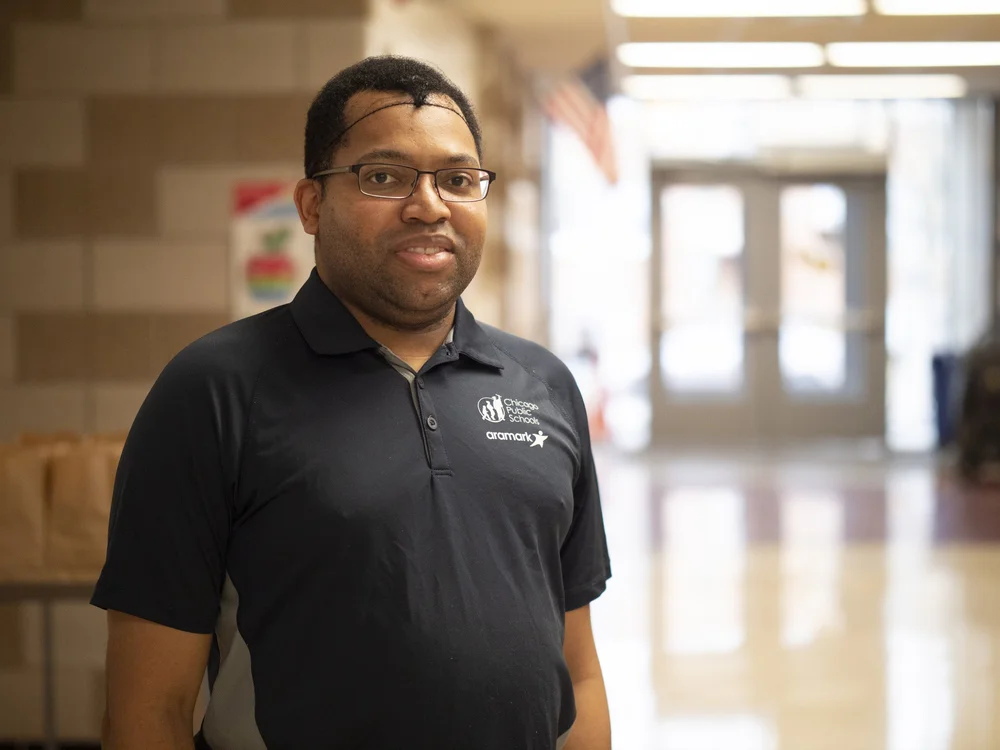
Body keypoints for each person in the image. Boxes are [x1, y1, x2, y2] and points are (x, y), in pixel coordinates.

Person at [93, 55, 612, 750]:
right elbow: (148, 709)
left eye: (457, 179)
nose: (429, 205)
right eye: (384, 177)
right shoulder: (215, 390)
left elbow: (579, 674)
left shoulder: (542, 385)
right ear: (312, 206)